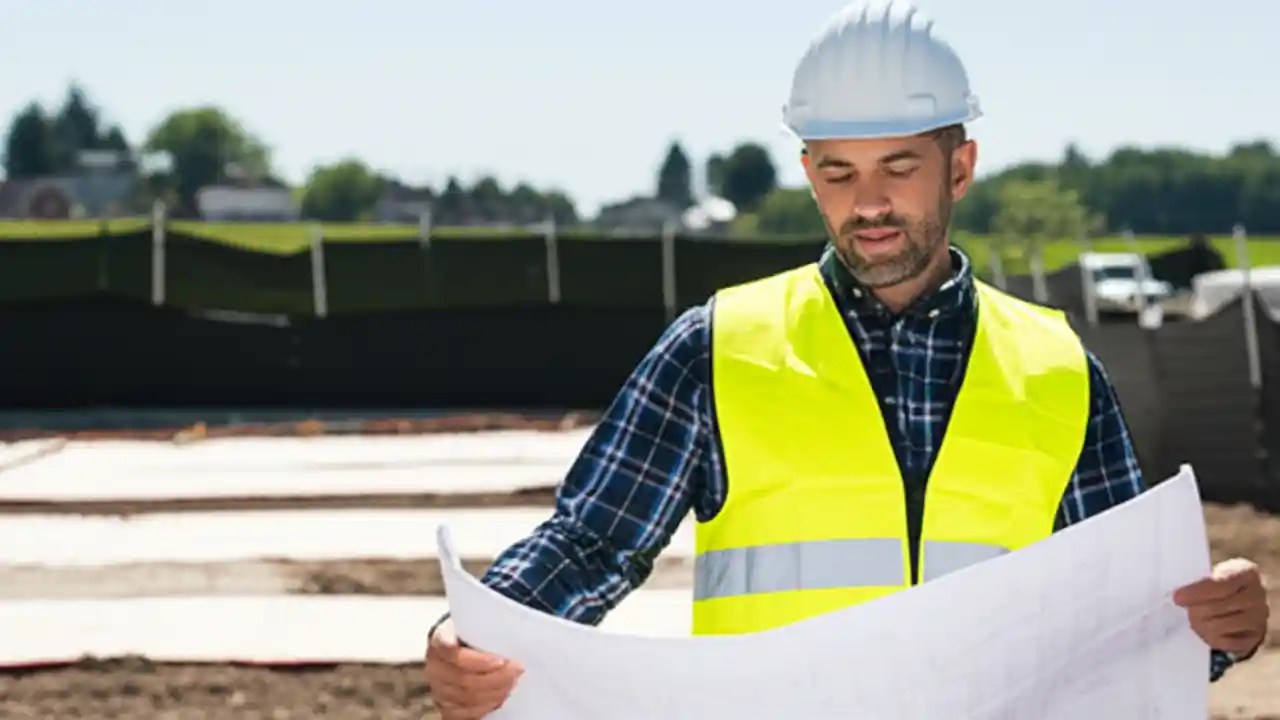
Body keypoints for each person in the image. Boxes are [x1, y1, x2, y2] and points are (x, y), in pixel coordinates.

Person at [423, 1, 1270, 716]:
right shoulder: (716, 347)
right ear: (807, 172)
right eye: (838, 173)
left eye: (899, 167)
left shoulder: (1058, 367)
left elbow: (1129, 618)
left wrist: (1220, 627)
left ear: (961, 167)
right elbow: (591, 543)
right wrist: (480, 632)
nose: (868, 203)